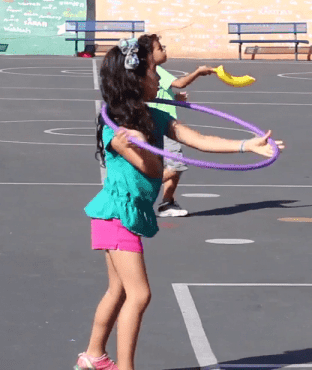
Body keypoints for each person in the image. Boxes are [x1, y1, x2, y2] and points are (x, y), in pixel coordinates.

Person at [75, 38, 284, 370]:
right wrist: (142, 146)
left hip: (125, 213)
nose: (160, 78)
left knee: (118, 290)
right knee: (139, 294)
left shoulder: (155, 116)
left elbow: (200, 139)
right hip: (116, 214)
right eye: (154, 71)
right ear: (135, 79)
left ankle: (93, 356)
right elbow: (154, 168)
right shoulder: (117, 131)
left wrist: (248, 144)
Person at [136, 34, 215, 217]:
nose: (164, 49)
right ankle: (138, 194)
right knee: (175, 166)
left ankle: (167, 201)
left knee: (166, 165)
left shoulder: (149, 71)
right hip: (162, 126)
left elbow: (157, 94)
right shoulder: (156, 71)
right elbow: (179, 83)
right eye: (159, 48)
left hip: (155, 124)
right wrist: (197, 72)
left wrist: (174, 98)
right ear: (149, 54)